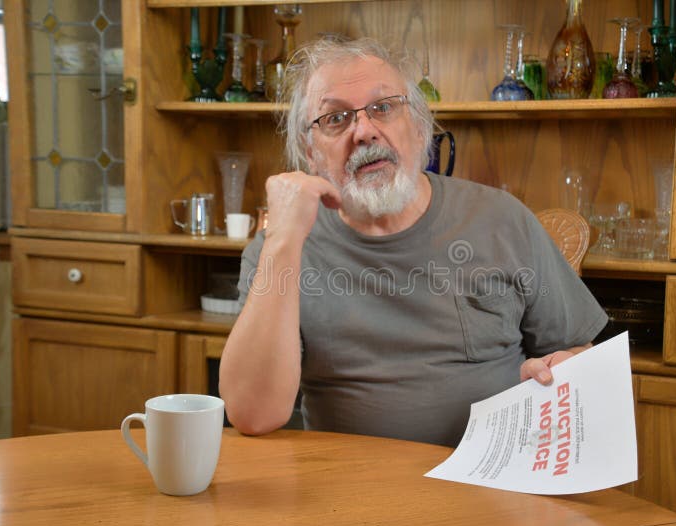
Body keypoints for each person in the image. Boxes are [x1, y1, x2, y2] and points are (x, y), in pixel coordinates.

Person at [219, 37, 608, 447]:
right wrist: (282, 239)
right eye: (335, 119)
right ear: (309, 151)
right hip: (344, 495)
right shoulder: (280, 249)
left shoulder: (502, 219)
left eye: (383, 108)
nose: (364, 131)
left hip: (493, 485)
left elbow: (578, 354)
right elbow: (251, 413)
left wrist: (560, 373)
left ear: (420, 127)